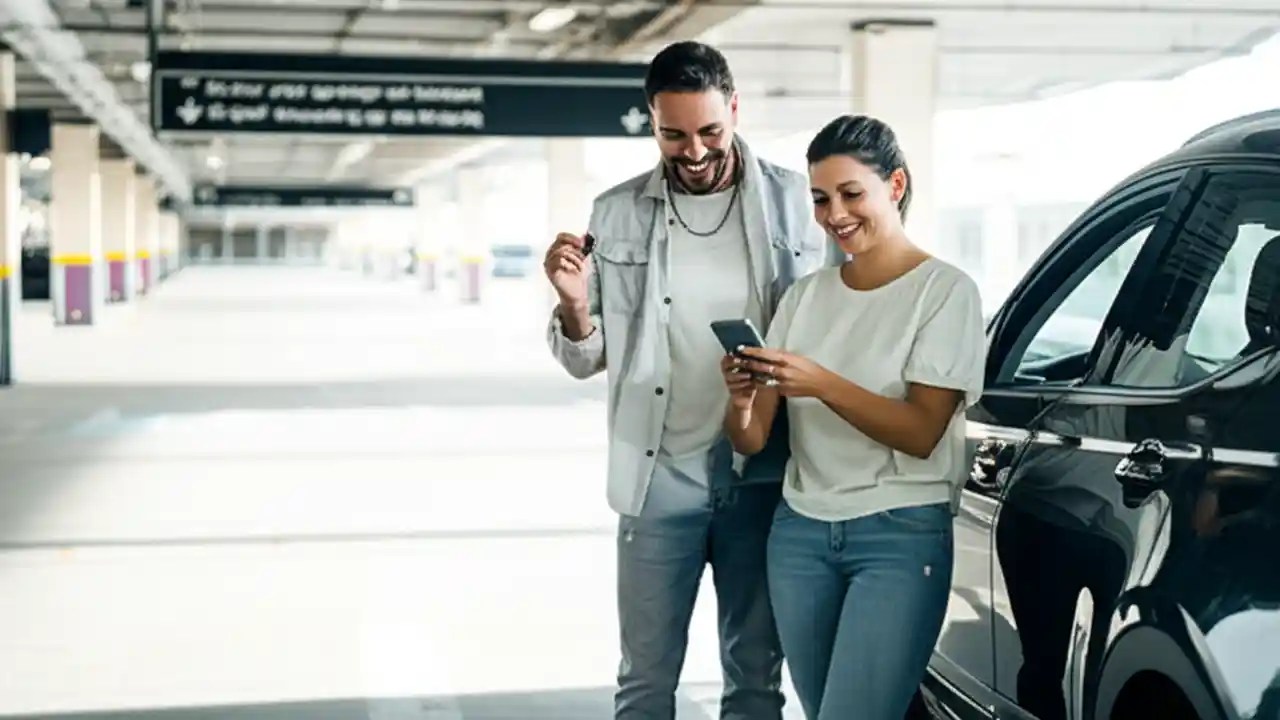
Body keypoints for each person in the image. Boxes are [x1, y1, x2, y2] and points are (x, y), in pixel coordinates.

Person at [543, 41, 836, 719]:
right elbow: (587, 359)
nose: (695, 152)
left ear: (734, 109)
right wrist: (574, 304)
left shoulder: (798, 204)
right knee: (644, 683)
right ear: (651, 122)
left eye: (710, 131)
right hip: (656, 480)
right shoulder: (615, 213)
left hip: (764, 473)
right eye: (673, 135)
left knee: (757, 680)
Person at [720, 114, 986, 720]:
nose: (834, 214)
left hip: (898, 536)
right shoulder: (805, 296)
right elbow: (753, 434)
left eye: (850, 193)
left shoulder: (944, 292)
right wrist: (740, 399)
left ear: (895, 186)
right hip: (800, 537)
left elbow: (921, 432)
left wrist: (820, 382)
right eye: (819, 198)